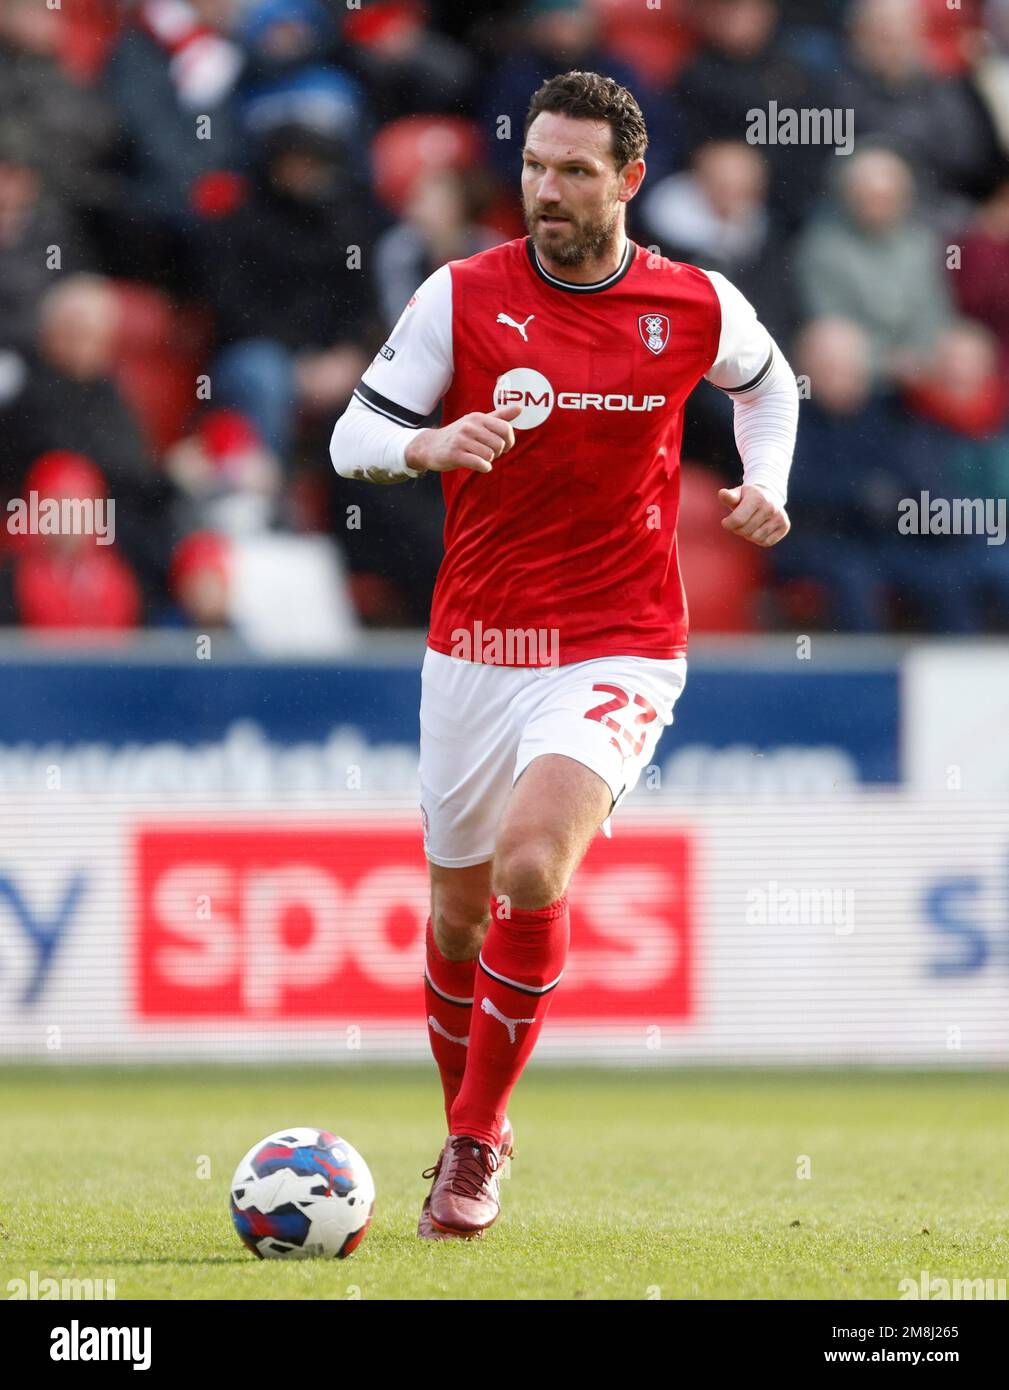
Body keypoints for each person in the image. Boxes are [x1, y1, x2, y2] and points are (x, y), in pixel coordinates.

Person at [329, 69, 798, 1239]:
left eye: (575, 169)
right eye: (536, 164)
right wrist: (429, 443)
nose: (547, 187)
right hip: (476, 643)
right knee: (453, 918)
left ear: (628, 180)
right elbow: (351, 438)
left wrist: (766, 481)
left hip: (619, 641)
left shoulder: (690, 302)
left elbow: (770, 382)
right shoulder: (462, 295)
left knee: (531, 867)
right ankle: (466, 1126)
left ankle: (478, 1141)